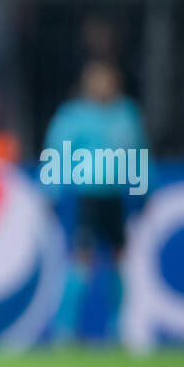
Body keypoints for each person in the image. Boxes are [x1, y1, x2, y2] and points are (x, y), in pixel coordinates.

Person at [41, 60, 148, 343]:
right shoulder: (73, 116)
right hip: (85, 197)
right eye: (98, 80)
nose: (104, 86)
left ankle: (119, 328)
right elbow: (56, 152)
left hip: (114, 197)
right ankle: (65, 330)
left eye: (108, 80)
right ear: (87, 84)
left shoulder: (127, 114)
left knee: (119, 260)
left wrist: (146, 189)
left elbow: (140, 153)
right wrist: (50, 189)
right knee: (82, 259)